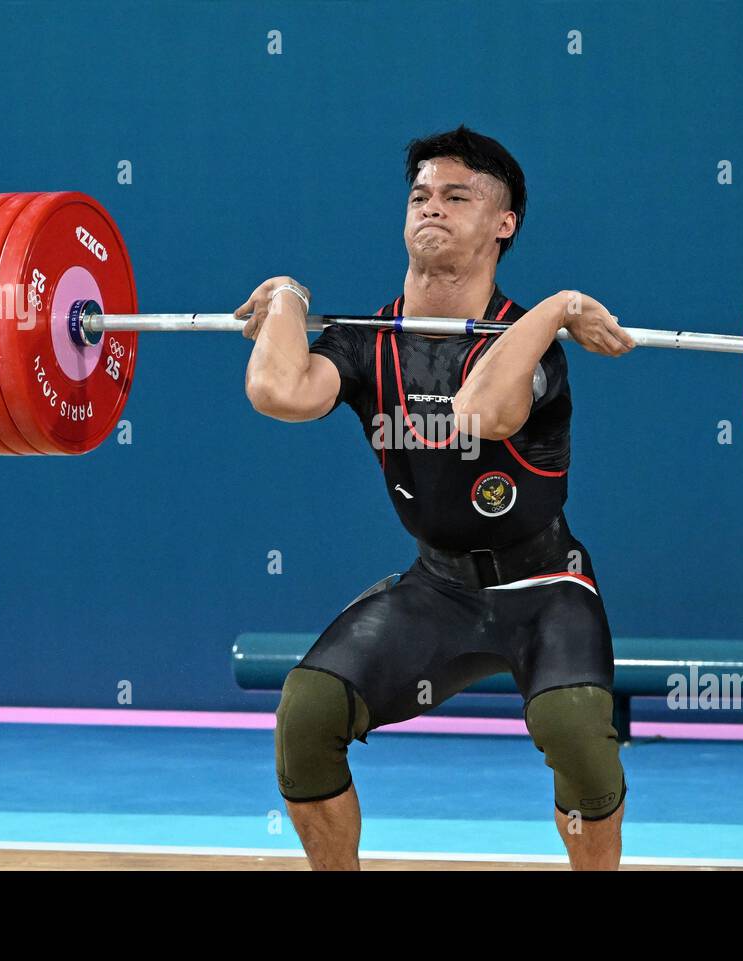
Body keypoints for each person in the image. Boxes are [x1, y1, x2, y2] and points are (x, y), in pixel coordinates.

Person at [237, 125, 636, 870]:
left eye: (458, 196)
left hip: (546, 586)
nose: (432, 207)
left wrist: (553, 309)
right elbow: (277, 389)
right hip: (438, 587)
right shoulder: (366, 342)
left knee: (579, 730)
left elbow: (481, 410)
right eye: (420, 194)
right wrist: (289, 298)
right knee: (307, 713)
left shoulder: (533, 344)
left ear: (503, 222)